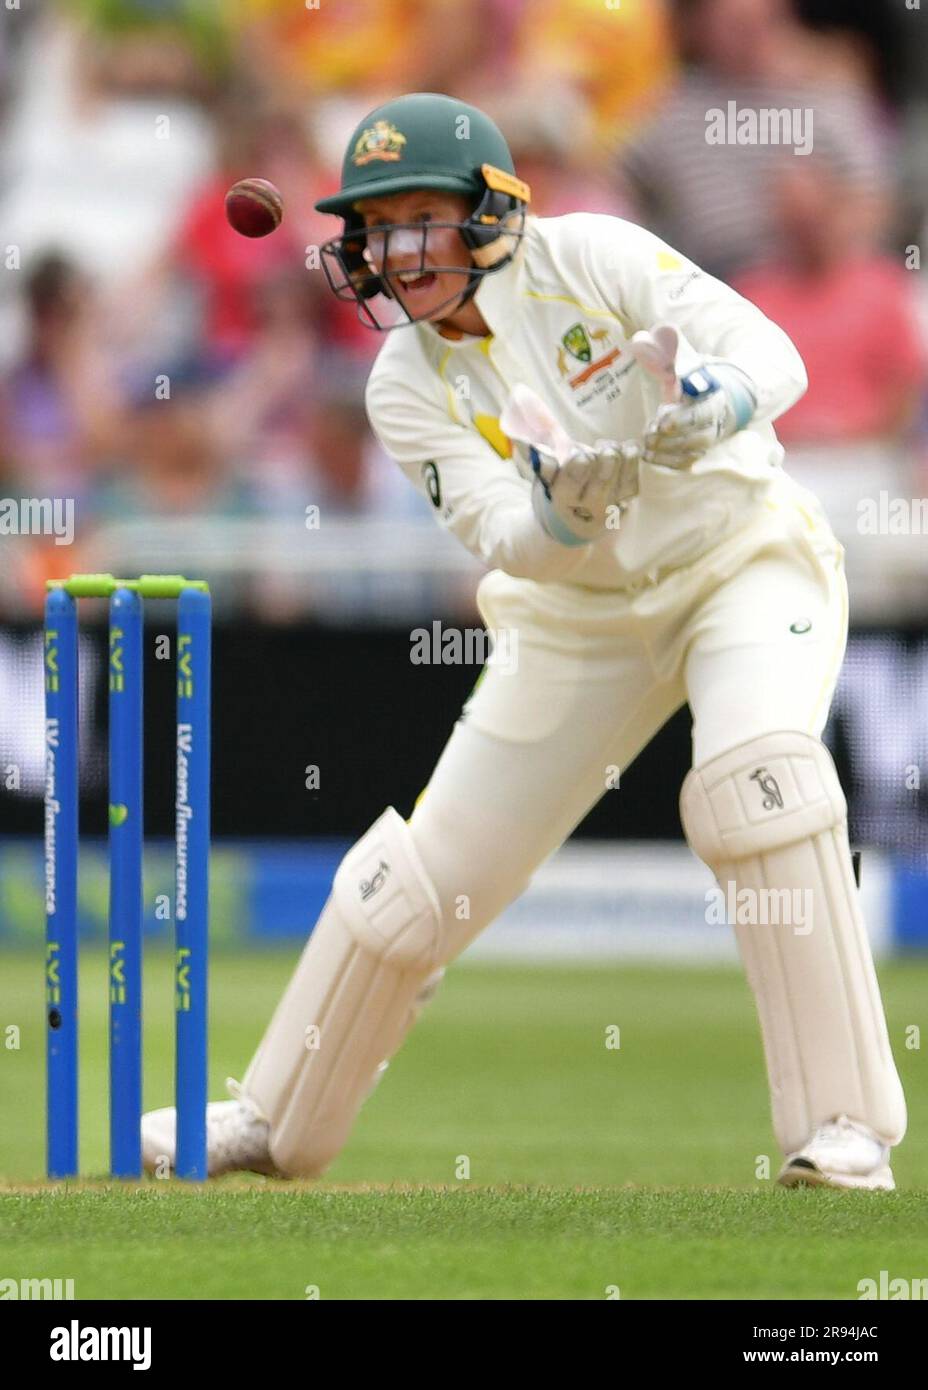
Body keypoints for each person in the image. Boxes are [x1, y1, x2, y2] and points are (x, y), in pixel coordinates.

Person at [142, 93, 906, 1190]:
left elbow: (768, 350)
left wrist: (713, 402)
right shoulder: (403, 383)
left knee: (758, 779)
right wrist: (562, 515)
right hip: (574, 621)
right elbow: (504, 536)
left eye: (421, 220)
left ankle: (843, 1129)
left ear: (489, 211)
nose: (399, 255)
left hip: (741, 562)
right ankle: (271, 1116)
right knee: (422, 881)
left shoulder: (589, 255)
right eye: (377, 228)